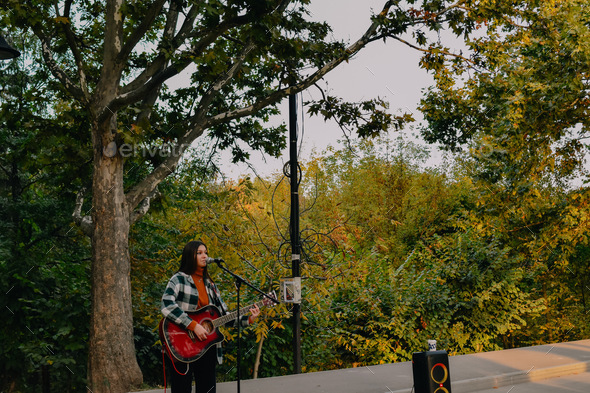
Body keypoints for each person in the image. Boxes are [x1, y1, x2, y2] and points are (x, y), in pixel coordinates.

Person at [161, 240, 260, 393]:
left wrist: (249, 319)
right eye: (199, 253)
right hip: (183, 344)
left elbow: (224, 316)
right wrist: (193, 326)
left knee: (208, 390)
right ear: (189, 255)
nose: (204, 256)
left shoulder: (211, 285)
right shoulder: (179, 279)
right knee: (182, 388)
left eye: (206, 253)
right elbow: (166, 304)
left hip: (207, 347)